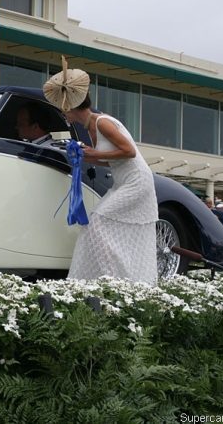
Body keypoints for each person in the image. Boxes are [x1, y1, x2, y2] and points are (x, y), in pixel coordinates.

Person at [43, 64, 158, 285]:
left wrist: (92, 153)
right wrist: (84, 156)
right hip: (122, 181)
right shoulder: (91, 127)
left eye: (63, 108)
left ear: (72, 107)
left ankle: (113, 278)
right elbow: (112, 159)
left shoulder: (103, 122)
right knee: (95, 223)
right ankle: (110, 276)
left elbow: (129, 152)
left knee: (97, 221)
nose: (63, 113)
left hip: (136, 182)